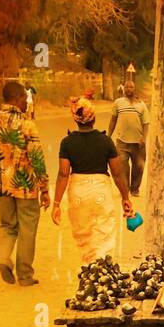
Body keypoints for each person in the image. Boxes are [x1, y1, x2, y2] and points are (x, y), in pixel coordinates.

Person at [0, 79, 50, 286]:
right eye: (25, 98)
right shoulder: (27, 125)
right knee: (27, 228)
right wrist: (44, 188)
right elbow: (37, 159)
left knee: (7, 225)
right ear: (17, 99)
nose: (27, 102)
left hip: (0, 184)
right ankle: (25, 275)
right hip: (25, 186)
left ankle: (2, 259)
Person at [53, 96, 133, 263]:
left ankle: (89, 267)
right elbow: (117, 173)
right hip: (101, 192)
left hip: (77, 193)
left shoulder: (67, 143)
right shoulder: (106, 142)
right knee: (103, 233)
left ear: (75, 120)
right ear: (94, 118)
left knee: (84, 235)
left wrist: (56, 203)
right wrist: (125, 197)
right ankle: (101, 267)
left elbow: (63, 174)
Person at [108, 80, 150, 198]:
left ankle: (135, 189)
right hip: (122, 142)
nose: (129, 89)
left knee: (139, 167)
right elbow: (113, 120)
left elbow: (146, 123)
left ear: (134, 89)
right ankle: (125, 189)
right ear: (124, 89)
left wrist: (144, 138)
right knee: (122, 166)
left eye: (131, 87)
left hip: (138, 143)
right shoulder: (118, 103)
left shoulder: (141, 105)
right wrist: (108, 136)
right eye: (127, 87)